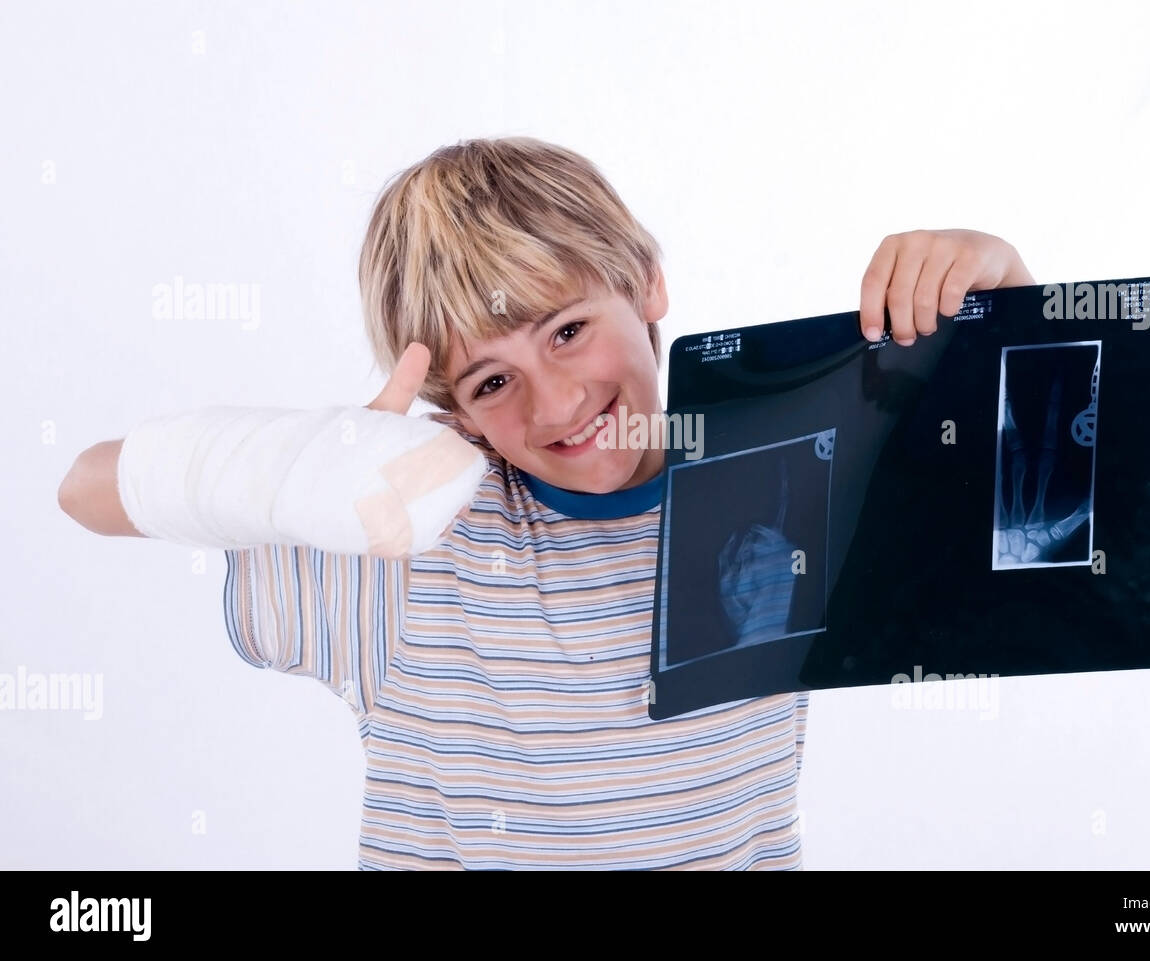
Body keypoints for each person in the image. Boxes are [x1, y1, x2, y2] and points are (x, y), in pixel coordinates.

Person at [57, 136, 1034, 869]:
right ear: (457, 413)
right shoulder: (396, 544)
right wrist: (296, 465)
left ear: (645, 283)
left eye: (567, 329)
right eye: (491, 381)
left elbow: (1037, 531)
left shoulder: (789, 476)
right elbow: (83, 488)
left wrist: (1005, 297)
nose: (557, 403)